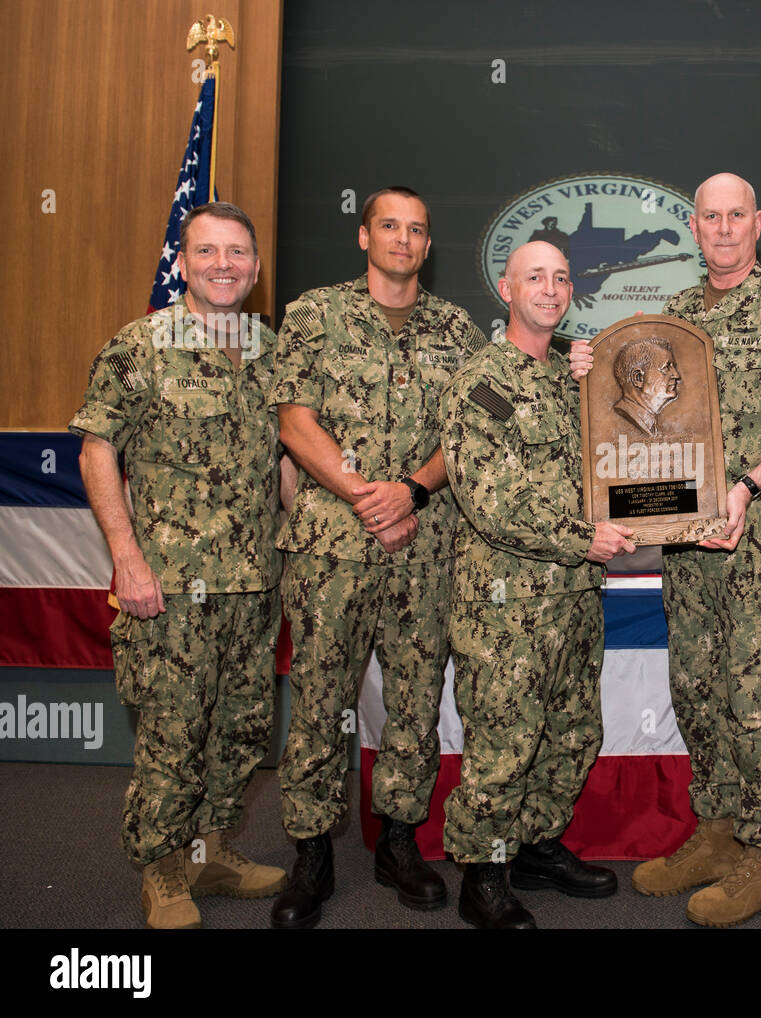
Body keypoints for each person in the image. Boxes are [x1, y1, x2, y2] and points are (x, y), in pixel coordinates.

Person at [572, 172, 761, 927]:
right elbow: (640, 422)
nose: (723, 229)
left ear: (759, 223)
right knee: (698, 687)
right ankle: (718, 829)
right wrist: (585, 374)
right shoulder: (677, 315)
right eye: (710, 218)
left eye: (736, 216)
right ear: (693, 228)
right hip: (688, 548)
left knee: (757, 701)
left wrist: (749, 484)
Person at [269, 186, 486, 929]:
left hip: (425, 547)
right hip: (334, 547)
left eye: (416, 230)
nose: (402, 239)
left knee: (416, 700)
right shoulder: (312, 315)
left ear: (428, 246)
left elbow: (466, 436)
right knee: (320, 702)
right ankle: (311, 851)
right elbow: (295, 420)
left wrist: (413, 492)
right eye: (388, 226)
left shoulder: (458, 331)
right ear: (365, 237)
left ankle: (398, 838)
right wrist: (368, 495)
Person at [72, 202, 290, 929]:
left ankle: (209, 852)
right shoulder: (139, 347)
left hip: (253, 586)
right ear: (184, 263)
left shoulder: (270, 349)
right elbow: (96, 449)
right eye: (207, 252)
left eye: (237, 253)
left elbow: (284, 461)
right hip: (166, 589)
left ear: (255, 268)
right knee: (173, 736)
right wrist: (126, 560)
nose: (223, 264)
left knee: (241, 730)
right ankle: (162, 872)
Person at [438, 240, 635, 929]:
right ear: (505, 287)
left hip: (575, 599)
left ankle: (536, 844)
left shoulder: (566, 377)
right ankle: (484, 872)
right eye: (534, 278)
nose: (549, 290)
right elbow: (491, 501)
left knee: (572, 729)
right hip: (507, 606)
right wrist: (585, 538)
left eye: (559, 278)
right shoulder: (481, 382)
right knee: (504, 741)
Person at [611, 335, 682, 437]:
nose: (676, 375)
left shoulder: (650, 422)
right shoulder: (622, 417)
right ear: (638, 378)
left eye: (673, 367)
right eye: (666, 368)